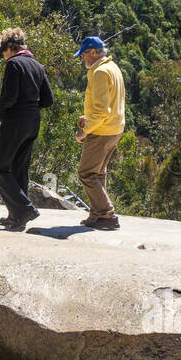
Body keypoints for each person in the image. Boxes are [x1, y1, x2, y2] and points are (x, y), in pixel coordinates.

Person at [0, 27, 53, 231]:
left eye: (4, 52)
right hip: (33, 121)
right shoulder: (38, 66)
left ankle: (24, 209)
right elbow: (48, 100)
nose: (4, 57)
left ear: (11, 47)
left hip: (16, 121)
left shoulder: (14, 64)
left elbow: (9, 98)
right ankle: (16, 217)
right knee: (19, 168)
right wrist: (30, 108)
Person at [74, 36, 125, 230]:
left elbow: (103, 111)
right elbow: (109, 104)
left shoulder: (100, 72)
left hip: (101, 131)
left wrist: (85, 131)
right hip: (115, 128)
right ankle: (97, 214)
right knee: (98, 173)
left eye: (84, 54)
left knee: (86, 173)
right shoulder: (113, 67)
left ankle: (107, 214)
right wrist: (87, 116)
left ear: (93, 52)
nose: (83, 59)